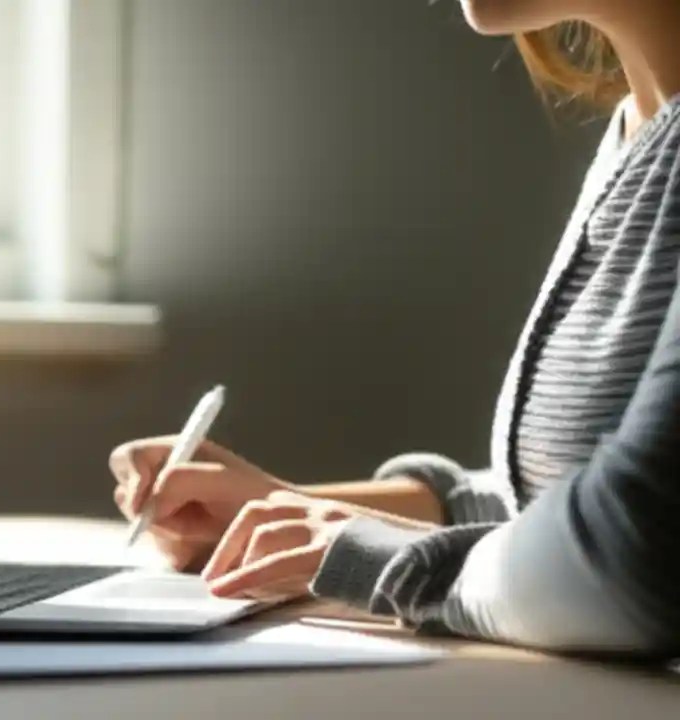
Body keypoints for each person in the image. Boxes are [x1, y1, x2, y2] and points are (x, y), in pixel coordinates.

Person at [110, 0, 680, 655]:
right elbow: (563, 497)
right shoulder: (642, 135)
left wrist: (372, 559)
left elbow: (638, 555)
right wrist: (290, 514)